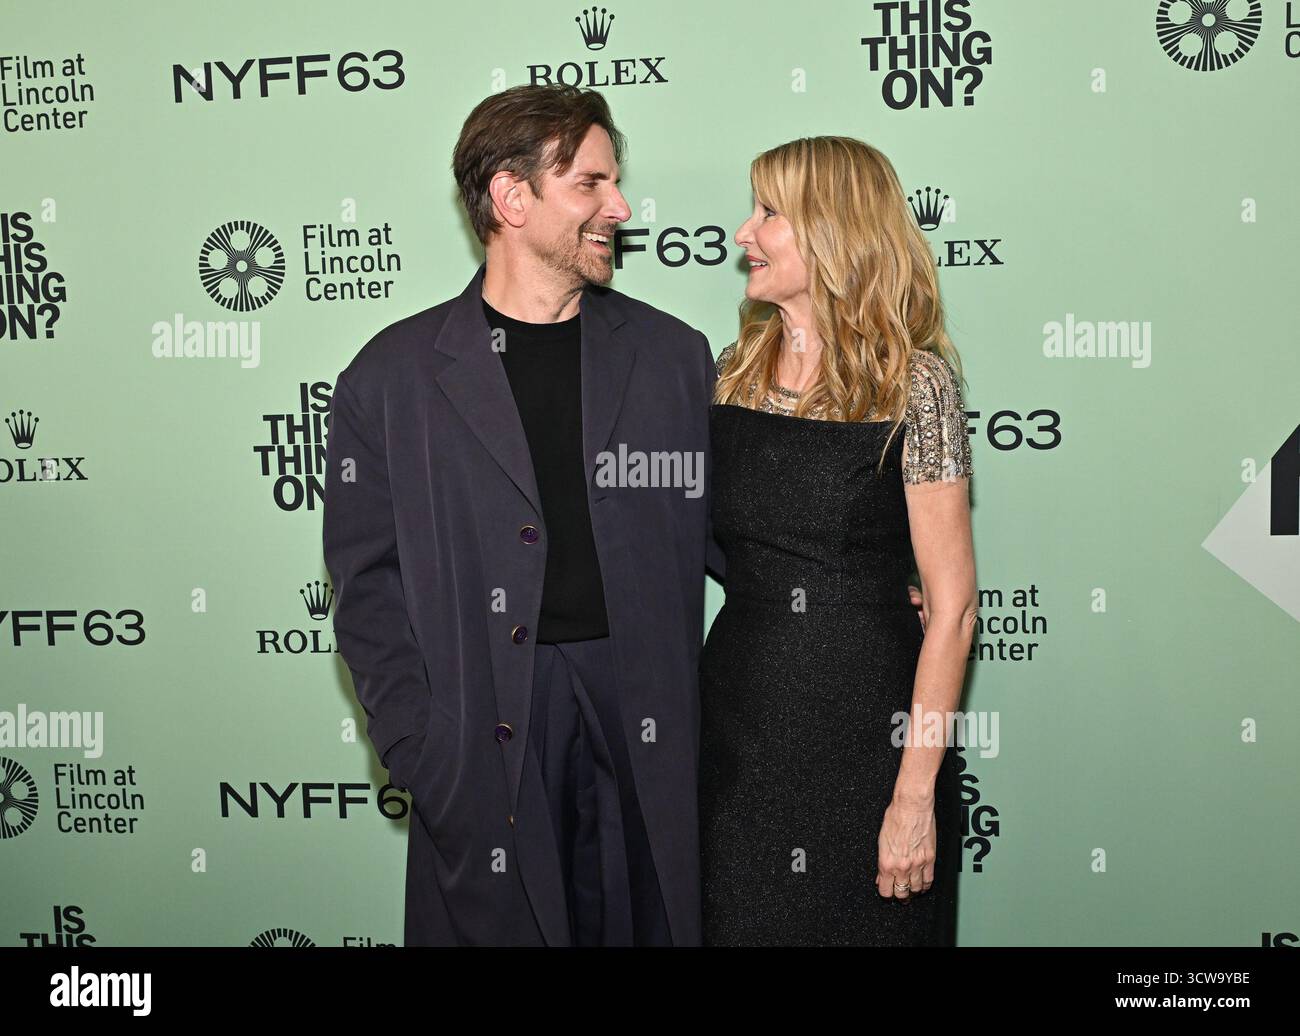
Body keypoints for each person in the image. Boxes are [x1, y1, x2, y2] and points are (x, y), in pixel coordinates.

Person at [321, 84, 723, 945]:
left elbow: (734, 531)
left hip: (643, 709)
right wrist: (425, 754)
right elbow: (366, 592)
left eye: (614, 183)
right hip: (488, 720)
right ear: (512, 198)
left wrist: (859, 586)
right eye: (589, 184)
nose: (620, 207)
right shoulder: (389, 381)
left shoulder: (671, 358)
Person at [699, 136, 978, 945]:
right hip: (738, 731)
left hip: (872, 739)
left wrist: (914, 795)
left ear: (832, 230)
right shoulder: (728, 374)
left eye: (769, 213)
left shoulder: (914, 385)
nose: (744, 233)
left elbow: (953, 608)